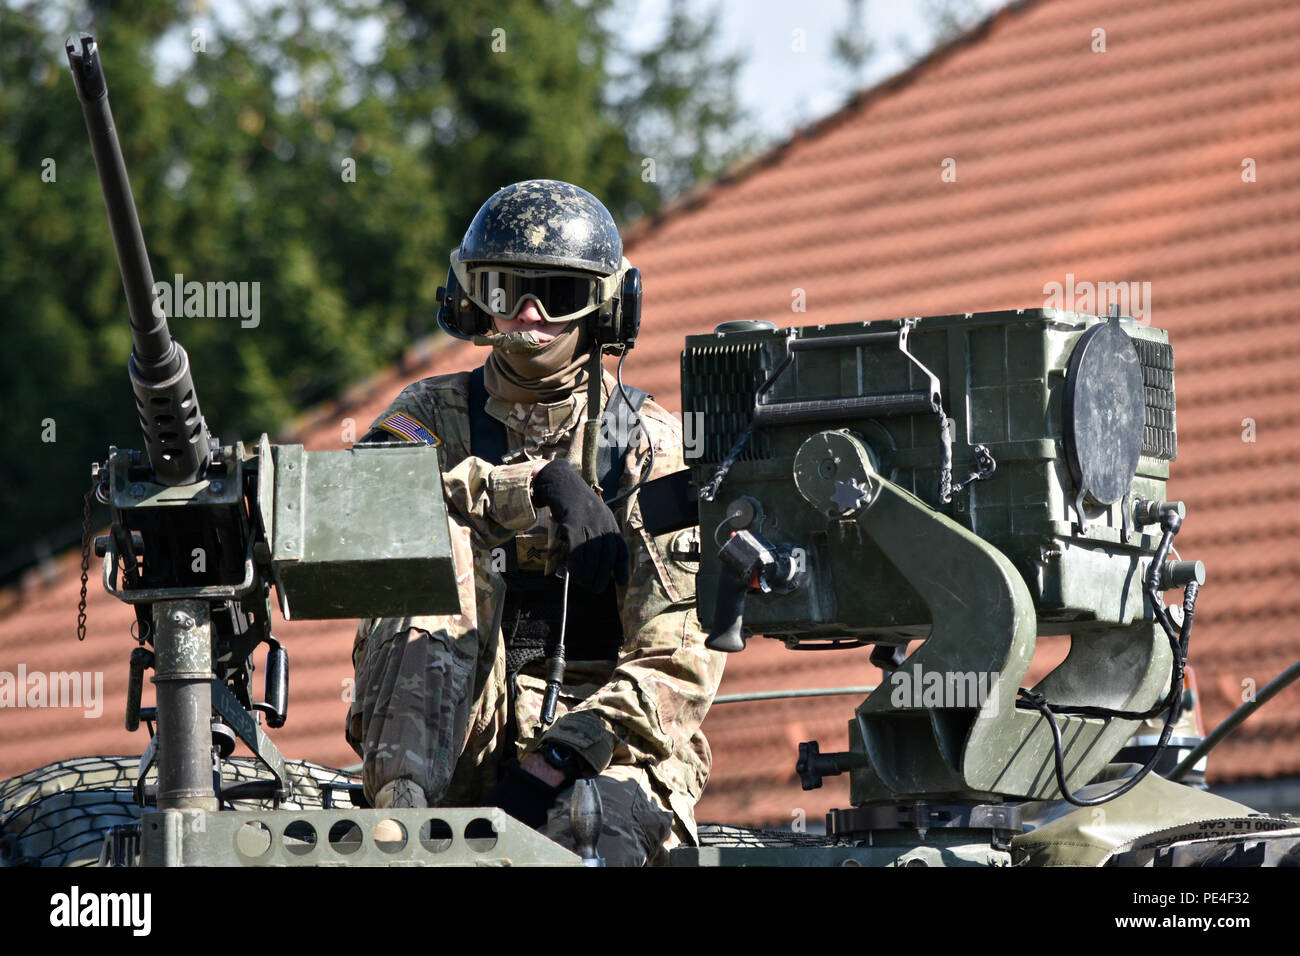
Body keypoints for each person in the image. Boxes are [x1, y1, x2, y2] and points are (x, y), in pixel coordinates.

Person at [345, 179, 724, 866]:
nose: (529, 313)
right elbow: (357, 515)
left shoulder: (646, 444)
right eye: (505, 289)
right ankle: (397, 830)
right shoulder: (427, 414)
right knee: (429, 526)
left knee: (586, 827)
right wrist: (527, 488)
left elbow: (677, 661)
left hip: (605, 744)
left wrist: (555, 761)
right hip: (451, 735)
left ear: (607, 309)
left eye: (558, 292)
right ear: (470, 300)